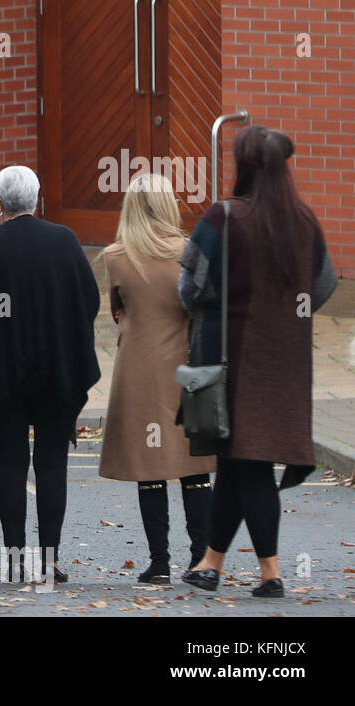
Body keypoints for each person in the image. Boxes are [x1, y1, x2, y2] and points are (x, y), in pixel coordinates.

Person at [179, 125, 337, 598]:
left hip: (231, 362)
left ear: (242, 165)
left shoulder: (223, 217)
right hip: (286, 365)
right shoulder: (305, 221)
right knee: (236, 460)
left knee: (249, 464)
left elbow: (191, 288)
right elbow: (323, 286)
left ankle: (271, 573)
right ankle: (210, 562)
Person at [0, 165, 99, 584]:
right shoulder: (63, 241)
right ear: (36, 198)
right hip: (56, 369)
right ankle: (50, 560)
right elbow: (89, 299)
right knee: (52, 464)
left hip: (5, 370)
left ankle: (13, 559)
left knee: (10, 464)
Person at [98, 173, 215, 584]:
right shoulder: (191, 251)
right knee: (194, 465)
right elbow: (203, 307)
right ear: (168, 205)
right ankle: (201, 557)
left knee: (149, 468)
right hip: (186, 366)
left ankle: (159, 562)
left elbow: (118, 309)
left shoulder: (116, 255)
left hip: (139, 367)